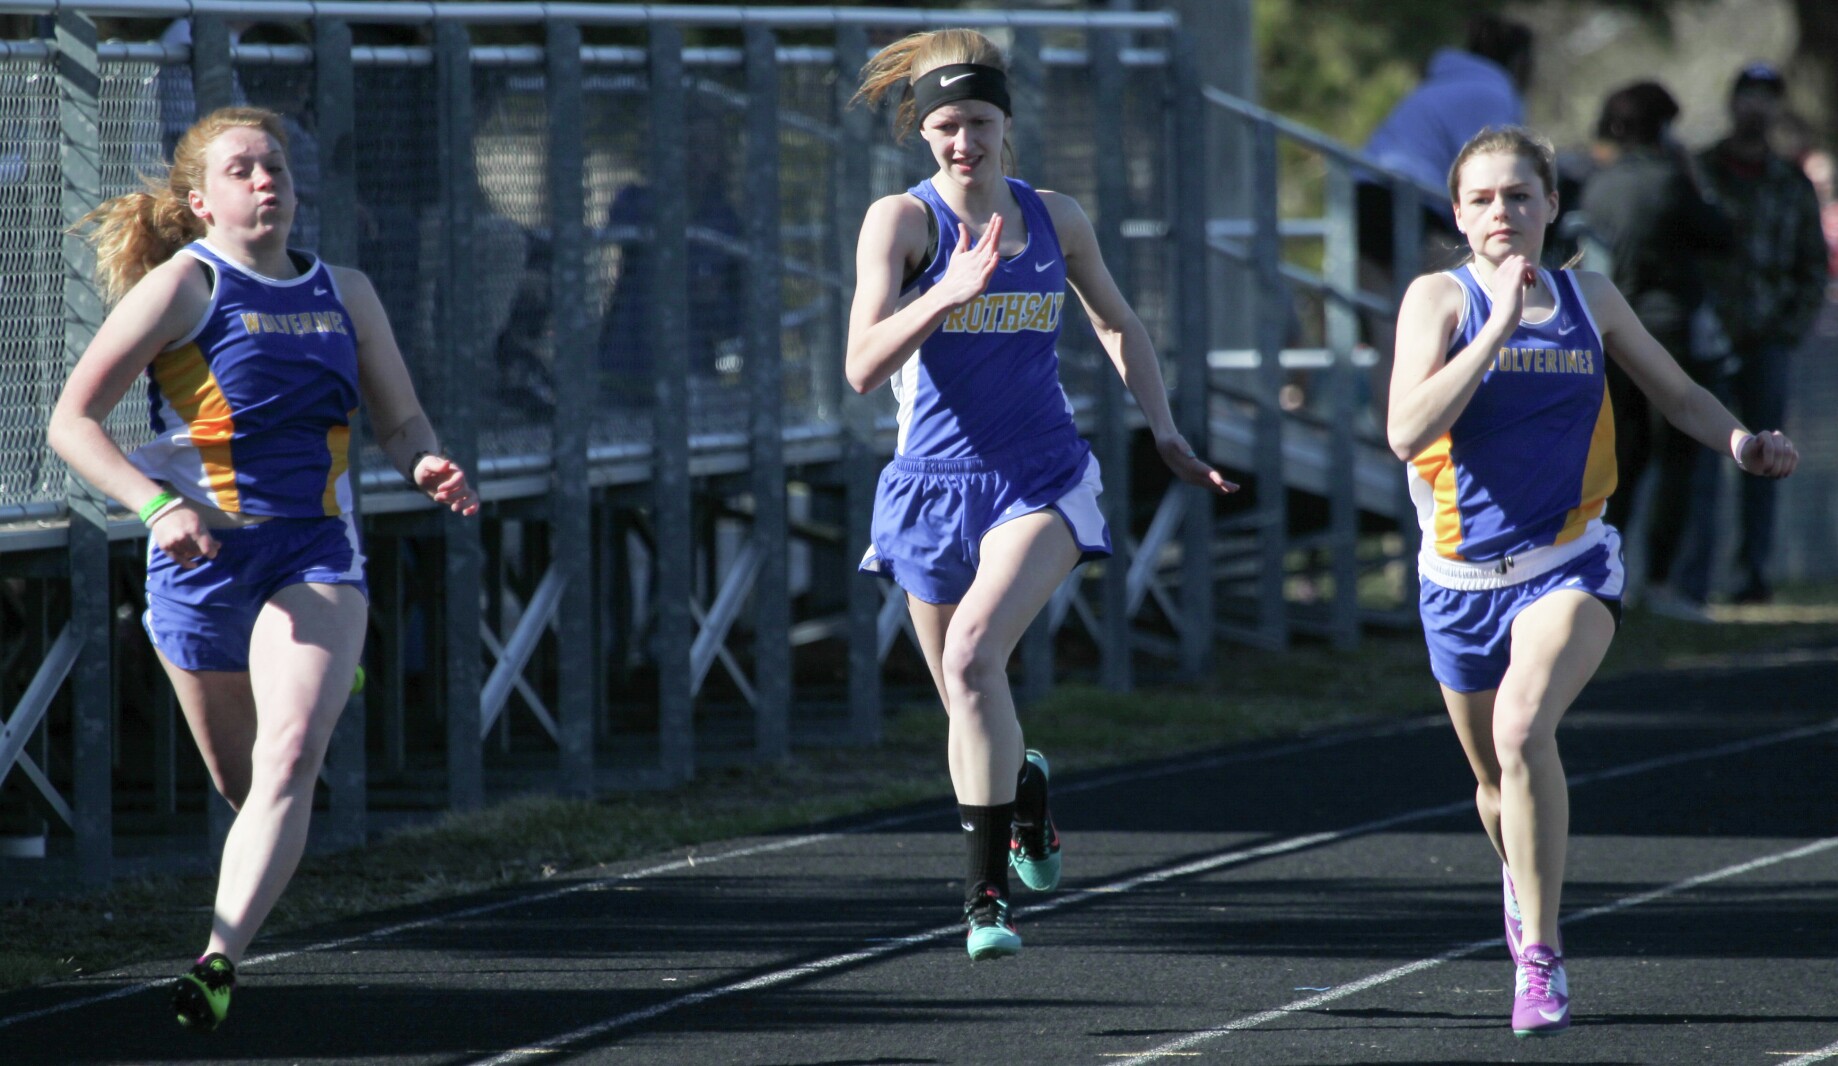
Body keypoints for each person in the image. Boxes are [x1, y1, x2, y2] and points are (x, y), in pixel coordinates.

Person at [47, 106, 478, 1032]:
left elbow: (401, 420)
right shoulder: (183, 287)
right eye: (241, 169)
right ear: (201, 201)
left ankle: (216, 960)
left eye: (274, 165)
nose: (265, 181)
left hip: (313, 551)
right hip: (201, 559)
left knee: (289, 760)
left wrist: (425, 462)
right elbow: (72, 423)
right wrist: (156, 508)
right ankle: (314, 683)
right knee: (244, 782)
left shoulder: (346, 290)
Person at [1388, 125, 1796, 1036]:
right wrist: (1495, 325)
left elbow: (1679, 395)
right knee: (1494, 784)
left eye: (1519, 195)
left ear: (1551, 205)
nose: (1502, 212)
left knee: (1524, 728)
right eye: (1483, 199)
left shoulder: (1591, 298)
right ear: (1459, 214)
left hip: (1566, 561)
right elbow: (1406, 432)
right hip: (1457, 578)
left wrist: (1740, 441)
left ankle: (1540, 956)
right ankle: (1520, 875)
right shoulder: (1438, 299)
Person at [846, 29, 1235, 960]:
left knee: (974, 656)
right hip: (929, 486)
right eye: (946, 125)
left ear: (1006, 124)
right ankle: (1024, 791)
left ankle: (984, 901)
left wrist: (1165, 429)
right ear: (923, 131)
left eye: (979, 122)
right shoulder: (901, 223)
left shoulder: (1055, 217)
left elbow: (1118, 320)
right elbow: (861, 366)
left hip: (1040, 477)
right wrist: (946, 294)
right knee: (965, 697)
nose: (964, 142)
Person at [1580, 82, 1734, 615]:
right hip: (1669, 334)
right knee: (1677, 456)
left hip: (1609, 336)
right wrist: (1696, 181)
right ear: (1663, 127)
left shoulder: (1598, 186)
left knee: (1621, 459)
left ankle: (1609, 575)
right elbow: (1722, 235)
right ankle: (1663, 582)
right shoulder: (1670, 181)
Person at [1357, 14, 1534, 424]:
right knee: (1475, 313)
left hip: (1364, 195)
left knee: (1393, 332)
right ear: (1520, 60)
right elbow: (1501, 171)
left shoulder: (1442, 83)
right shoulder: (1493, 90)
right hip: (1408, 203)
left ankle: (1396, 439)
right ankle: (1465, 432)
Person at [1695, 63, 1826, 604]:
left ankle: (1751, 578)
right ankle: (1690, 580)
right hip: (1708, 341)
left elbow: (1812, 265)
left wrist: (1787, 330)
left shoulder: (1790, 182)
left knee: (1767, 458)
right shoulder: (1700, 172)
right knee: (1701, 460)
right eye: (1748, 95)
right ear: (1733, 103)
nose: (1757, 106)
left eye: (1767, 97)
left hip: (1766, 342)